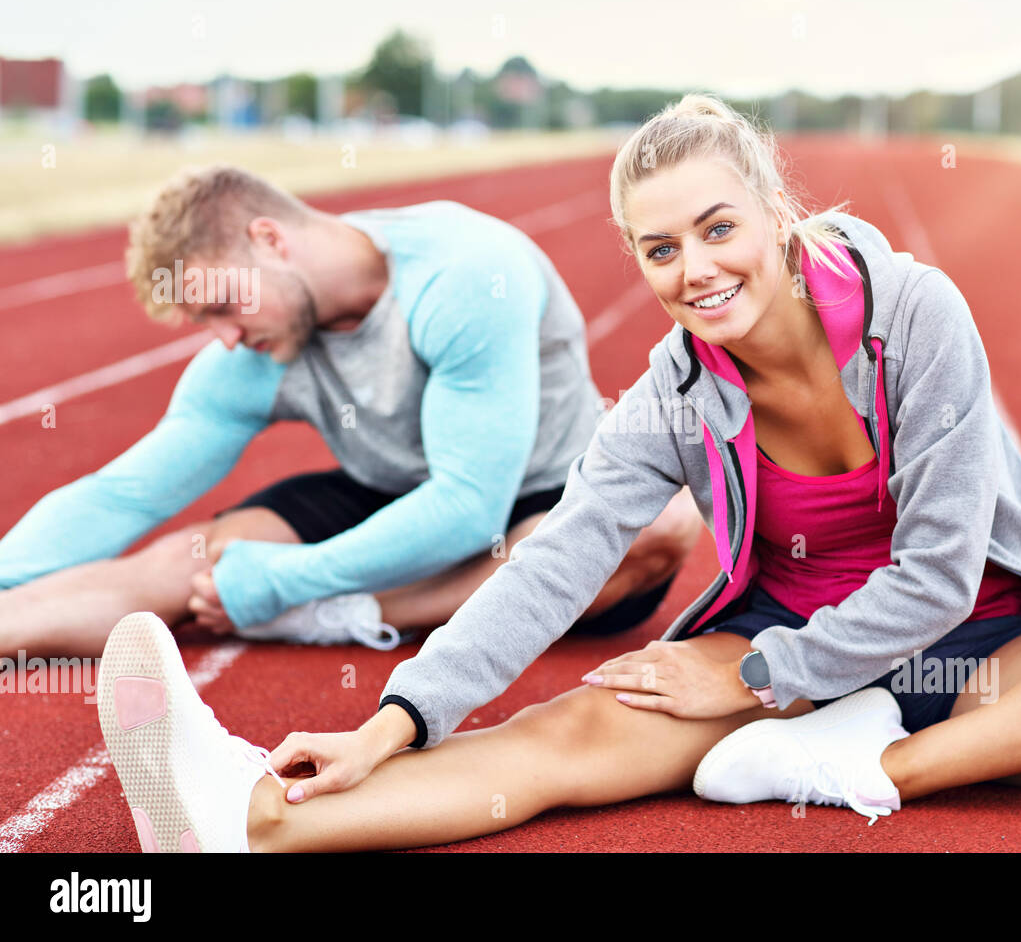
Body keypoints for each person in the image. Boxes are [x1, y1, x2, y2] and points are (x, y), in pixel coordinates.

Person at [96, 95, 1021, 852]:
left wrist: (765, 680)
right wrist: (397, 720)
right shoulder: (670, 391)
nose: (696, 269)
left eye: (717, 228)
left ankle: (871, 765)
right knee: (562, 739)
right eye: (660, 249)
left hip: (983, 656)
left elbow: (937, 574)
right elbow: (553, 561)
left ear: (775, 212)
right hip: (780, 657)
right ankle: (253, 812)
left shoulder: (915, 313)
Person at [0, 165, 701, 657]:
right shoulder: (252, 352)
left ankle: (350, 612)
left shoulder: (463, 275)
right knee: (193, 559)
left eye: (223, 305)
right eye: (203, 320)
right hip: (389, 497)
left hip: (532, 497)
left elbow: (469, 507)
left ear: (271, 241)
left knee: (662, 524)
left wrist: (288, 581)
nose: (225, 337)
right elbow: (122, 496)